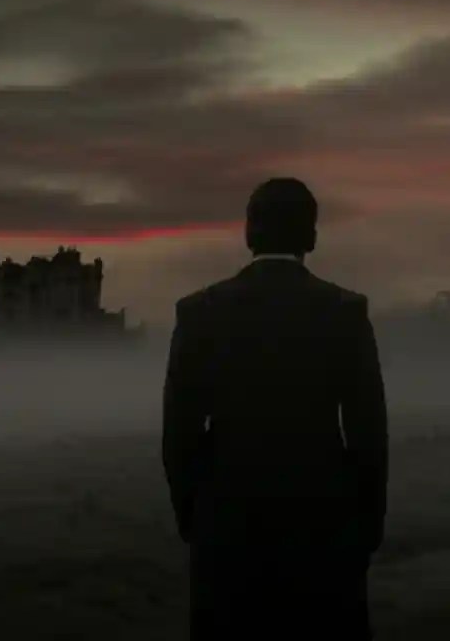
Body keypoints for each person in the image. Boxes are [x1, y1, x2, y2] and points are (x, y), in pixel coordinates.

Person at [162, 177, 389, 640]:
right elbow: (369, 433)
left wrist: (196, 516)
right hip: (323, 525)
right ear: (312, 238)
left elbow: (178, 433)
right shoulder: (345, 311)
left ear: (249, 234)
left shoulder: (199, 312)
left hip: (226, 525)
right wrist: (365, 527)